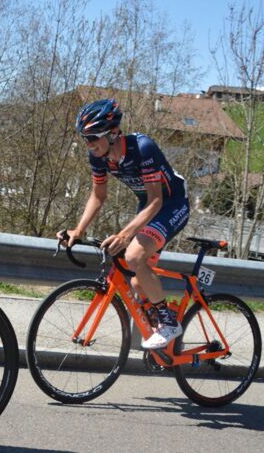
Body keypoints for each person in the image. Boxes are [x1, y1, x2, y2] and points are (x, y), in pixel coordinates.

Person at [59, 98, 190, 349]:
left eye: (93, 137)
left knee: (134, 255)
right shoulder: (98, 157)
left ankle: (169, 322)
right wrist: (78, 230)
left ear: (113, 132)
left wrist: (125, 235)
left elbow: (156, 201)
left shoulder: (143, 148)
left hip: (171, 204)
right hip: (148, 206)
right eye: (85, 138)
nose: (89, 144)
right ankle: (166, 341)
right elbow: (98, 196)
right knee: (137, 281)